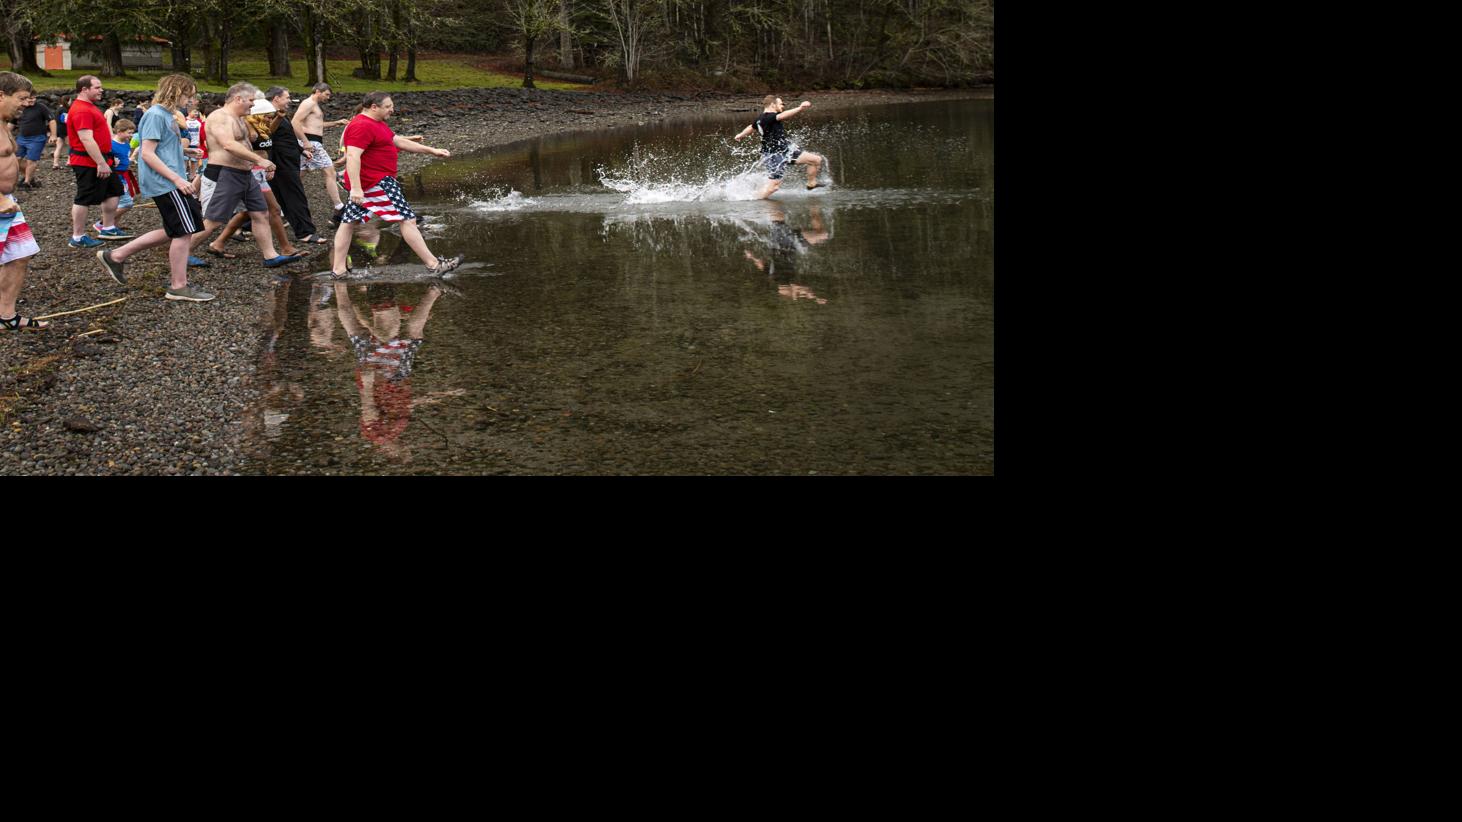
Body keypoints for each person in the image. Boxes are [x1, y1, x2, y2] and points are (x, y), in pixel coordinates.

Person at [94, 74, 215, 303]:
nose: (191, 100)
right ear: (176, 92)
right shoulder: (155, 115)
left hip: (171, 179)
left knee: (178, 228)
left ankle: (116, 255)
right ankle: (178, 286)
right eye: (189, 94)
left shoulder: (167, 115)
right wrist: (177, 180)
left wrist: (185, 152)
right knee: (183, 231)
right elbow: (147, 153)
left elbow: (161, 150)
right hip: (167, 182)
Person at [330, 91, 460, 279]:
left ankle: (339, 269)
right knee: (407, 219)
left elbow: (396, 140)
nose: (392, 109)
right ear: (374, 107)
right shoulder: (361, 126)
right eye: (388, 106)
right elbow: (352, 156)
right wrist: (356, 188)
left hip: (373, 182)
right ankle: (434, 265)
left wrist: (431, 151)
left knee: (348, 223)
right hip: (375, 183)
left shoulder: (376, 123)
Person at [190, 82, 302, 269]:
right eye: (250, 101)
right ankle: (183, 252)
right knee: (214, 220)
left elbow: (253, 141)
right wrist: (260, 161)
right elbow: (228, 144)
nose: (252, 105)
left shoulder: (240, 117)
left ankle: (271, 256)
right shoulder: (220, 117)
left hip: (245, 173)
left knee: (260, 213)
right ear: (238, 99)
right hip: (225, 173)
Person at [0, 72, 45, 330]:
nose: (26, 104)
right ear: (1, 95)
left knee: (20, 255)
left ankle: (6, 316)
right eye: (21, 98)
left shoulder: (5, 123)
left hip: (9, 203)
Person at [67, 75, 132, 248]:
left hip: (103, 159)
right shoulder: (81, 109)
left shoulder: (89, 107)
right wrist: (101, 163)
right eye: (97, 87)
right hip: (87, 162)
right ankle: (78, 237)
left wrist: (108, 159)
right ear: (84, 89)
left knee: (114, 191)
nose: (101, 90)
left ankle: (108, 227)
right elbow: (86, 139)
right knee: (84, 197)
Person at [262, 86, 323, 244]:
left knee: (276, 198)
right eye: (286, 97)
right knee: (294, 196)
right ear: (276, 98)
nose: (289, 100)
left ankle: (244, 227)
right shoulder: (268, 114)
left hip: (286, 161)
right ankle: (305, 232)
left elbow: (287, 137)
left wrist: (302, 150)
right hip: (280, 163)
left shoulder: (280, 114)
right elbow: (267, 136)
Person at [732, 95, 825, 199]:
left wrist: (741, 135)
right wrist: (800, 108)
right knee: (773, 187)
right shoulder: (769, 116)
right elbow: (782, 116)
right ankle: (753, 200)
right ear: (773, 104)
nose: (783, 106)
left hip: (786, 150)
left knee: (815, 160)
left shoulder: (760, 119)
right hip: (774, 155)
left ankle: (811, 184)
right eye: (781, 104)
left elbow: (751, 127)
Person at [293, 83, 351, 224]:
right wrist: (306, 142)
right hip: (311, 143)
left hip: (311, 141)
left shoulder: (314, 105)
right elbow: (294, 122)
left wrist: (336, 122)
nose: (328, 98)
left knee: (297, 176)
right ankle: (339, 207)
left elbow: (316, 125)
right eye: (326, 94)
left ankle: (282, 206)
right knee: (330, 172)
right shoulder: (308, 103)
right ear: (318, 91)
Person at [14, 93, 54, 189]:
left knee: (31, 160)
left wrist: (53, 134)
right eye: (29, 98)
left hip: (37, 138)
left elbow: (52, 120)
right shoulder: (20, 108)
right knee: (15, 160)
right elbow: (11, 122)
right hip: (22, 138)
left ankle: (26, 183)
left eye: (33, 98)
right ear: (24, 98)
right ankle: (30, 178)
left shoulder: (41, 107)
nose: (31, 100)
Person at [51, 95, 68, 169]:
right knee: (71, 146)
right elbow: (64, 120)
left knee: (58, 147)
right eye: (70, 100)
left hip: (58, 129)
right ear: (67, 101)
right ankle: (69, 161)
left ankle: (55, 163)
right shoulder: (64, 109)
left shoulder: (58, 109)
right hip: (64, 130)